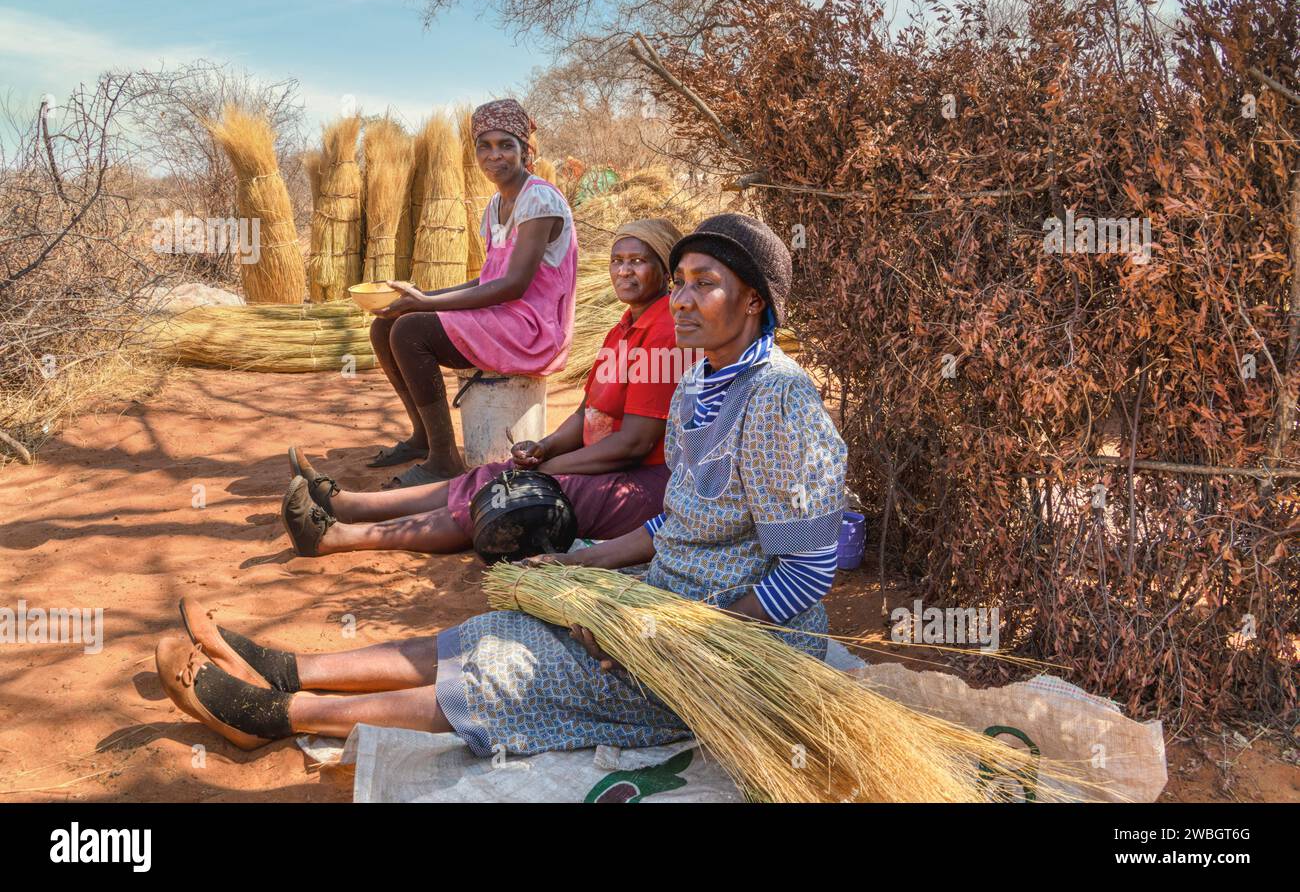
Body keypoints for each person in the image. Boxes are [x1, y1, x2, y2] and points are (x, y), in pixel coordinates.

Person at [156, 214, 848, 757]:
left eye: (706, 284)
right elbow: (684, 522)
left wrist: (671, 632)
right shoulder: (700, 380)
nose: (685, 298)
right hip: (672, 601)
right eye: (683, 282)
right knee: (504, 628)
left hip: (739, 645)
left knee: (516, 676)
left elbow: (809, 569)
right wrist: (584, 563)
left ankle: (277, 717)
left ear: (755, 300)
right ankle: (289, 667)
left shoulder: (780, 403)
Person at [278, 218, 687, 557]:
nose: (623, 271)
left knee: (510, 495)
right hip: (606, 465)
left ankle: (340, 537)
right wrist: (544, 447)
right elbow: (587, 413)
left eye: (638, 261)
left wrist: (551, 467)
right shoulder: (623, 328)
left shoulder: (665, 332)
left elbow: (634, 444)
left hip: (639, 485)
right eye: (617, 260)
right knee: (491, 474)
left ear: (665, 272)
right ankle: (348, 505)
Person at [366, 98, 577, 489]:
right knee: (387, 326)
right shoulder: (496, 205)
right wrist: (422, 296)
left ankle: (444, 461)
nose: (494, 155)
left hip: (532, 327)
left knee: (411, 332)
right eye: (485, 145)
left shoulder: (540, 200)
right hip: (504, 315)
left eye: (506, 145)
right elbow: (486, 280)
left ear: (525, 150)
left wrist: (427, 305)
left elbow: (513, 285)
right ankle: (424, 439)